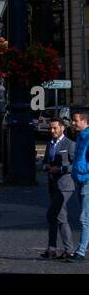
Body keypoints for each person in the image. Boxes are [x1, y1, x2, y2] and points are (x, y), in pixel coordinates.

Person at [42, 115, 75, 260]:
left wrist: (60, 169)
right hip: (52, 184)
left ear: (62, 128)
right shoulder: (50, 143)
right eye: (50, 128)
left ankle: (67, 249)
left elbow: (75, 165)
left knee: (55, 215)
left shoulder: (70, 144)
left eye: (55, 128)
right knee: (56, 217)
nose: (52, 130)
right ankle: (53, 249)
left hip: (65, 186)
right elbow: (44, 161)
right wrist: (46, 166)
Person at [70, 108, 89, 260]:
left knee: (84, 218)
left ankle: (81, 251)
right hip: (80, 180)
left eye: (76, 120)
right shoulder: (81, 136)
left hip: (87, 180)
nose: (73, 123)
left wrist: (81, 169)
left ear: (85, 121)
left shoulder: (87, 137)